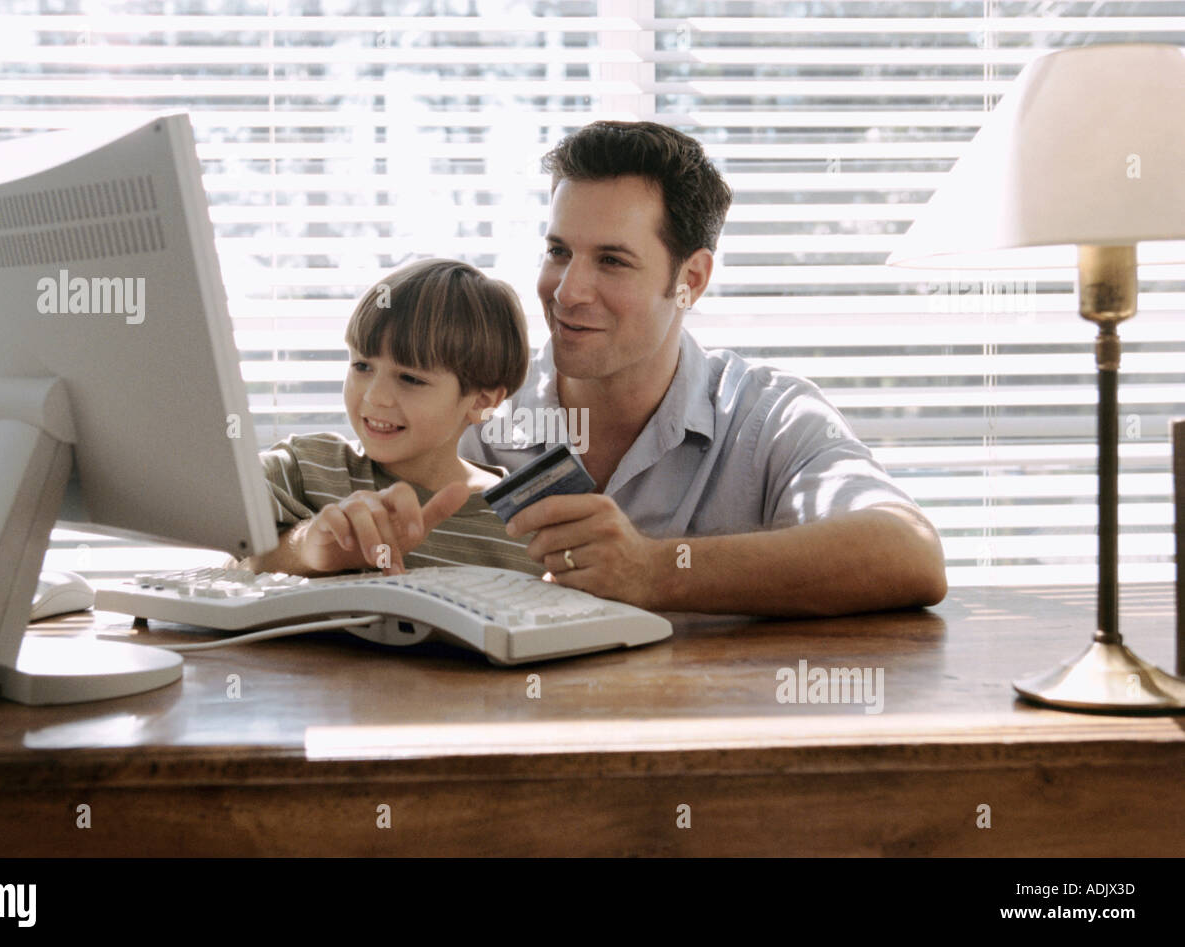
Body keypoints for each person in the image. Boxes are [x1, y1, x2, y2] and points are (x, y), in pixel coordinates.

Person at [452, 121, 947, 616]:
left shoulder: (769, 418)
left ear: (691, 278)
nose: (567, 292)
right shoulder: (471, 412)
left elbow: (911, 551)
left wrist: (653, 570)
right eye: (559, 252)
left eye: (612, 261)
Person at [242, 258, 545, 578]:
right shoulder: (305, 467)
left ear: (481, 402)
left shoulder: (526, 525)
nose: (374, 396)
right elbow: (233, 555)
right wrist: (307, 549)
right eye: (362, 366)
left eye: (410, 379)